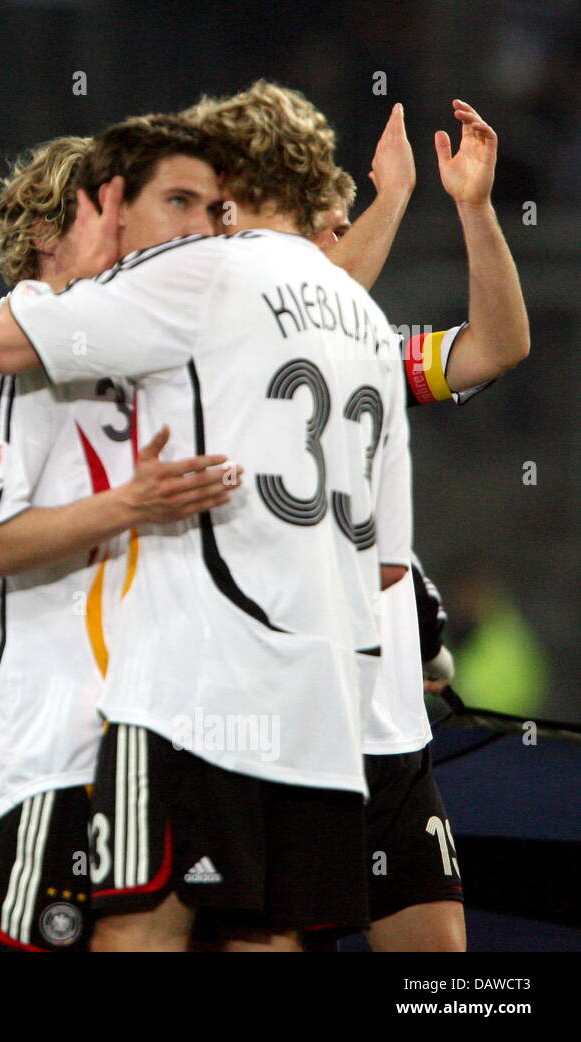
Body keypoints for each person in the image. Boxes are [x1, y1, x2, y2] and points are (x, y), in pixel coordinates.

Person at [0, 81, 412, 952]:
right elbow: (389, 563)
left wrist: (96, 241)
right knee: (268, 937)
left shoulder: (210, 269)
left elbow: (2, 343)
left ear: (233, 182)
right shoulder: (363, 314)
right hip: (327, 704)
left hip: (197, 689)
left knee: (140, 929)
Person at [198, 91, 528, 951]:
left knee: (438, 960)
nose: (347, 249)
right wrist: (393, 201)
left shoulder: (373, 345)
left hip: (386, 718)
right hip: (284, 702)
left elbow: (496, 345)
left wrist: (476, 210)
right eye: (336, 227)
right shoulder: (217, 322)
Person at [0, 124, 238, 951]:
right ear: (56, 234)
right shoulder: (26, 345)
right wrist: (129, 505)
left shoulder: (150, 348)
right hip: (60, 734)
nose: (146, 238)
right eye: (115, 216)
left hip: (163, 728)